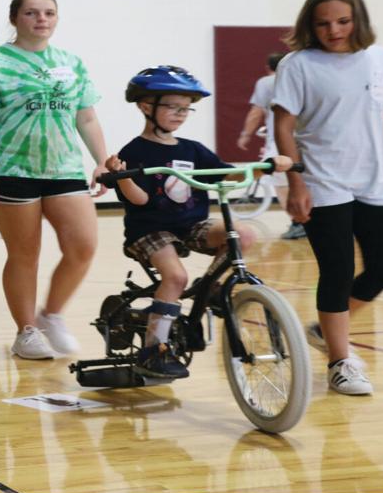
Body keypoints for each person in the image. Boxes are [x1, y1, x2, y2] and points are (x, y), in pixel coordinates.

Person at [272, 0, 383, 395]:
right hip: (322, 181)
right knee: (336, 272)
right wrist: (296, 181)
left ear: (358, 20)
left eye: (342, 21)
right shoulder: (298, 64)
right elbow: (284, 126)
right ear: (310, 25)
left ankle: (326, 329)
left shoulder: (381, 59)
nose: (333, 30)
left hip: (376, 181)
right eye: (323, 23)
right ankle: (340, 361)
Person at [0, 0, 112, 360]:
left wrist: (103, 160)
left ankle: (52, 313)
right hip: (12, 169)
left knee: (83, 246)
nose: (41, 19)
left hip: (63, 169)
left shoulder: (71, 62)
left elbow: (86, 117)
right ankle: (26, 331)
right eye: (31, 13)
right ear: (15, 18)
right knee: (25, 253)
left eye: (48, 13)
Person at [109, 66, 286, 379]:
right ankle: (154, 348)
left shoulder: (192, 150)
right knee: (175, 277)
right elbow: (139, 200)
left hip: (190, 226)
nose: (180, 113)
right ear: (146, 107)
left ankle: (210, 287)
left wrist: (266, 167)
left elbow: (226, 173)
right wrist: (122, 177)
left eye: (185, 108)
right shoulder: (135, 151)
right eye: (172, 107)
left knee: (241, 236)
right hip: (149, 229)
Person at [236, 52, 304, 239]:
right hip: (308, 140)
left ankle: (298, 222)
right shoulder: (303, 77)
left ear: (269, 68)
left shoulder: (266, 82)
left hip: (282, 141)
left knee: (281, 183)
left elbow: (256, 112)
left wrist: (245, 135)